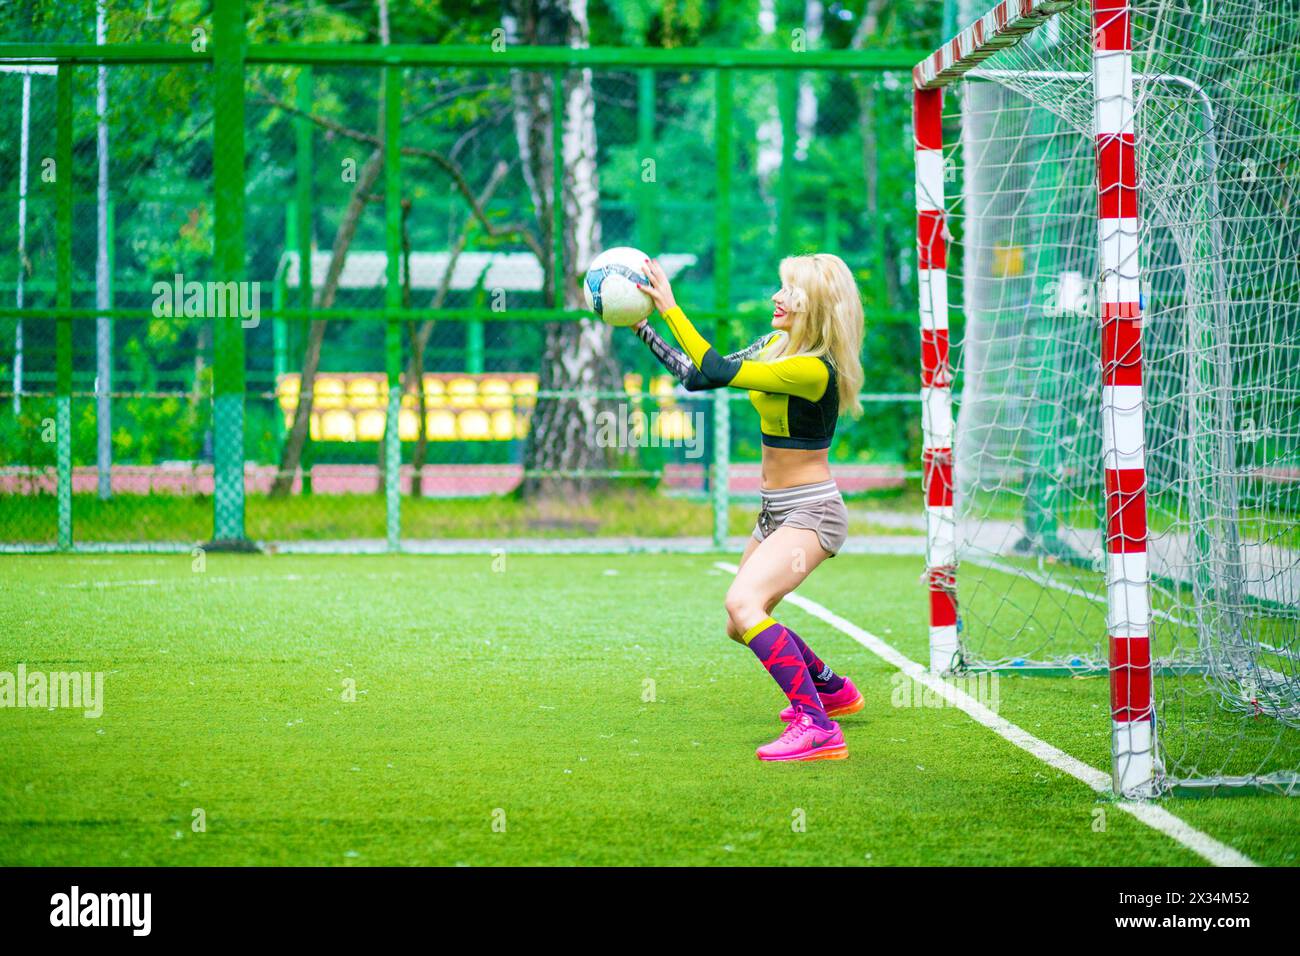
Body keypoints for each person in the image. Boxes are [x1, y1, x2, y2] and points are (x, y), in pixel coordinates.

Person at [632, 253, 866, 761]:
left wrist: (671, 309)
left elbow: (715, 365)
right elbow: (699, 377)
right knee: (739, 624)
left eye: (790, 290)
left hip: (812, 511)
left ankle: (818, 727)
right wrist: (643, 329)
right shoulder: (775, 345)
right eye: (780, 286)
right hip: (774, 510)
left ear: (817, 303)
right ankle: (831, 687)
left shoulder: (811, 369)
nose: (777, 297)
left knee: (744, 604)